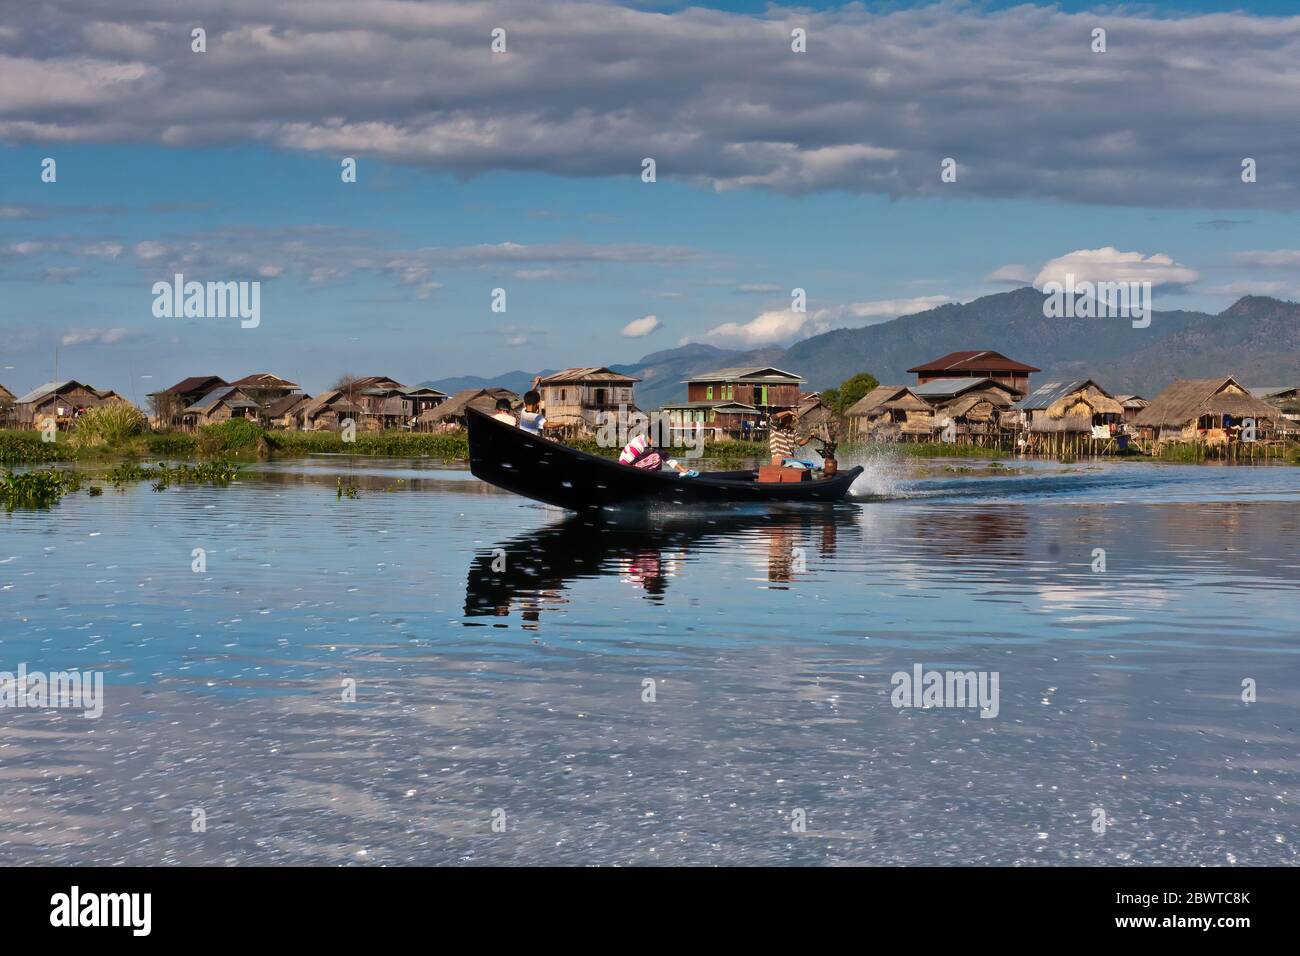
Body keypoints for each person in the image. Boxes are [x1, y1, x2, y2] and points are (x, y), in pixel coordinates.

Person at [618, 433, 694, 475]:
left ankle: (652, 475)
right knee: (656, 457)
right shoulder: (638, 445)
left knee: (658, 456)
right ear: (650, 438)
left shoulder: (656, 444)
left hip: (640, 464)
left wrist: (682, 469)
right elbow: (622, 464)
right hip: (627, 465)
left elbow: (667, 459)